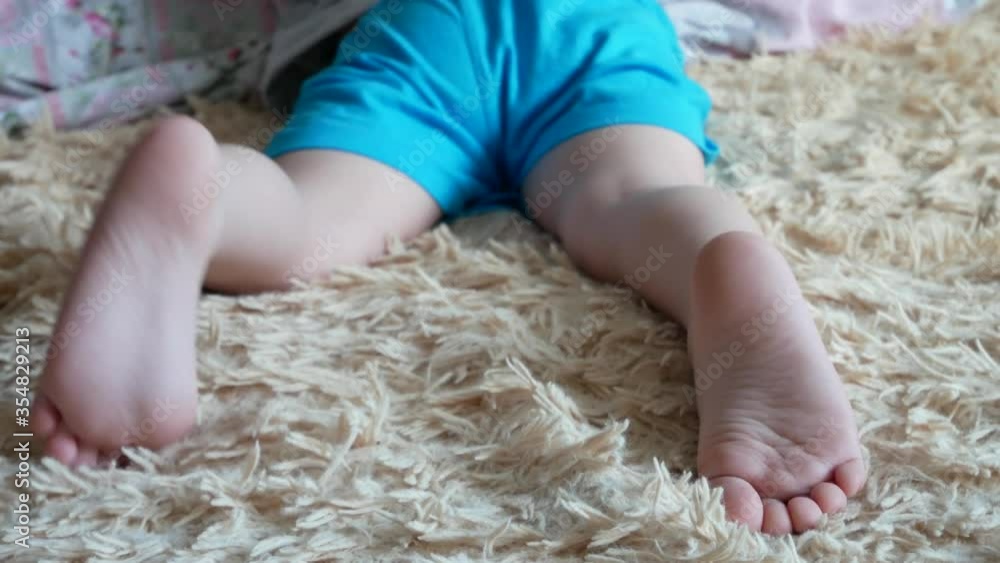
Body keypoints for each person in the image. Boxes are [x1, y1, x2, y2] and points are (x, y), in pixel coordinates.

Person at [32, 0, 865, 535]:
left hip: (424, 28)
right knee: (633, 199)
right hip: (594, 26)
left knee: (314, 216)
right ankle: (714, 255)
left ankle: (210, 197)